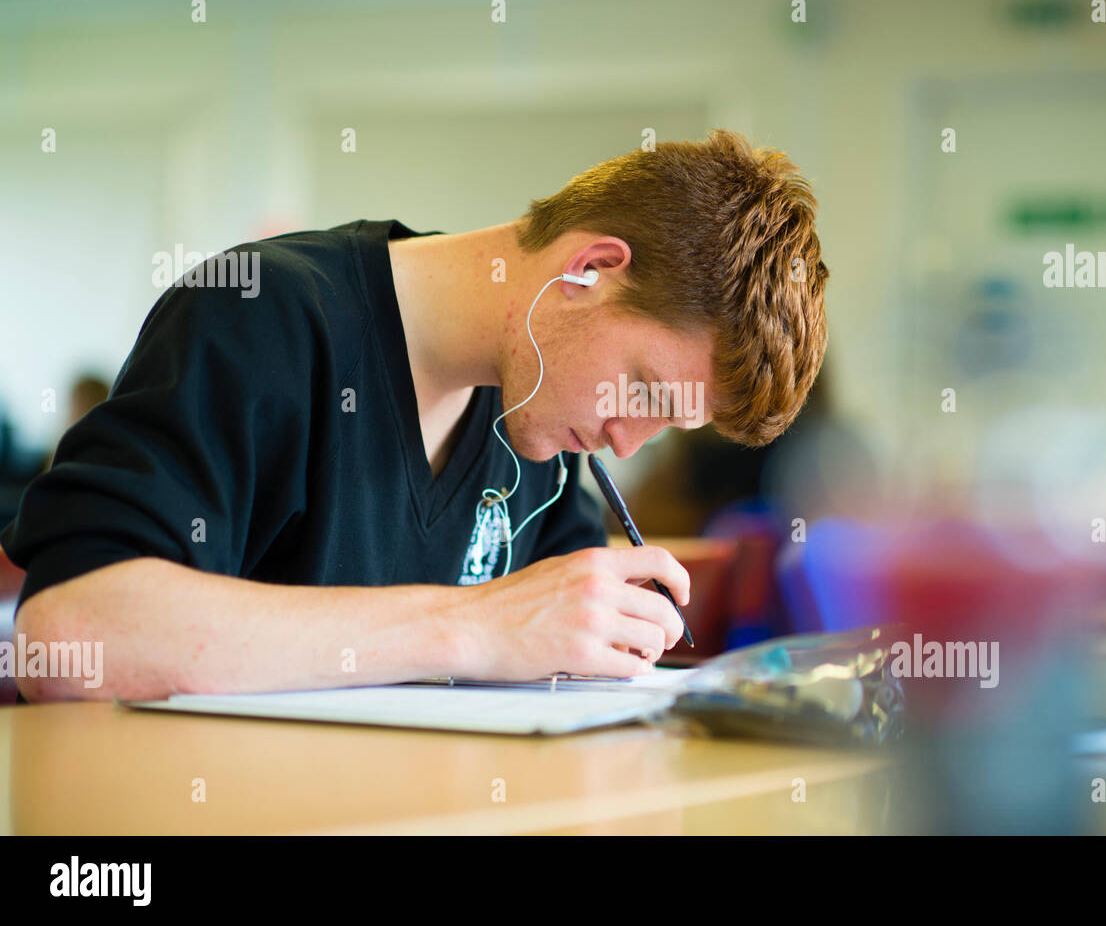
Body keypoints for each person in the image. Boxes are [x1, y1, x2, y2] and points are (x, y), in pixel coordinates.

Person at [1, 129, 829, 701]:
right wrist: (471, 626)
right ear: (588, 270)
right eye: (644, 389)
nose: (628, 439)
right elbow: (70, 636)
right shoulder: (267, 318)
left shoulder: (538, 434)